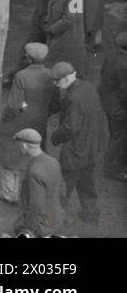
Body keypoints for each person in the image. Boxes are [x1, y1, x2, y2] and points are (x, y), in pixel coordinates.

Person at [49, 61, 108, 227]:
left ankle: (56, 217)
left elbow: (71, 127)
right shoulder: (88, 87)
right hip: (91, 147)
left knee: (63, 185)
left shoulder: (73, 97)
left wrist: (55, 137)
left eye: (57, 81)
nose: (55, 84)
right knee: (87, 183)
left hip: (75, 151)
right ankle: (91, 215)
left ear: (67, 78)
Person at [0, 42, 56, 203]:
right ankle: (29, 191)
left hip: (18, 122)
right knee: (32, 154)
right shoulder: (50, 75)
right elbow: (56, 102)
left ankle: (10, 194)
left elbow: (15, 105)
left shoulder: (21, 76)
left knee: (10, 156)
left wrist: (10, 115)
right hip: (39, 121)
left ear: (28, 58)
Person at [11, 128, 62, 237]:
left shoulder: (34, 172)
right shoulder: (53, 162)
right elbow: (62, 190)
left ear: (24, 146)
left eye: (20, 146)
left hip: (40, 227)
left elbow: (36, 206)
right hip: (54, 219)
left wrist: (28, 230)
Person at [100, 31, 127, 183]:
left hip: (108, 101)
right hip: (118, 107)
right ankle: (112, 169)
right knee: (119, 137)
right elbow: (125, 91)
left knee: (115, 134)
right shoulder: (124, 65)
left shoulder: (112, 56)